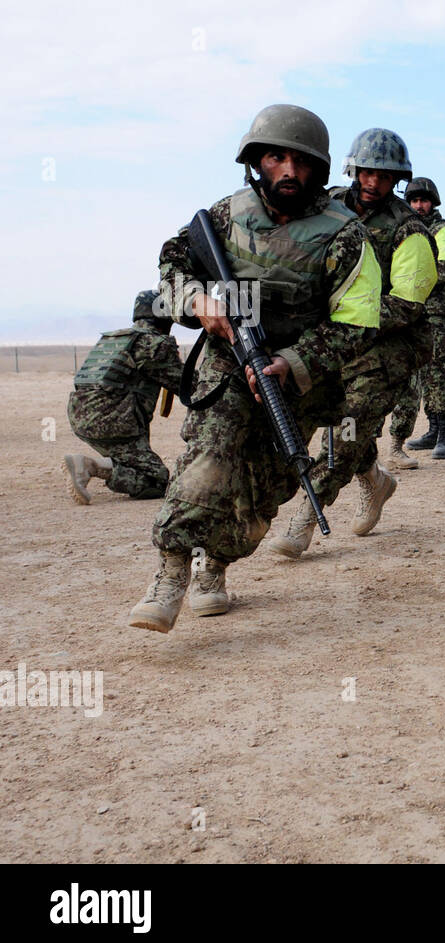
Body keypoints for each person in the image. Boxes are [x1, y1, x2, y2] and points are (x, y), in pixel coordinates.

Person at [127, 104, 381, 632]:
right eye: (276, 157)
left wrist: (292, 363)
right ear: (255, 161)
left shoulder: (346, 234)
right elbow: (173, 263)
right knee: (210, 459)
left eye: (301, 162)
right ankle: (171, 570)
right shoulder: (226, 214)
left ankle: (213, 565)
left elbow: (359, 323)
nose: (288, 171)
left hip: (298, 376)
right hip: (228, 360)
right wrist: (197, 299)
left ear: (320, 170)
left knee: (264, 491)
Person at [265, 128, 437, 559]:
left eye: (383, 175)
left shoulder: (409, 229)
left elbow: (406, 304)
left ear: (396, 178)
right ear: (353, 169)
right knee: (328, 417)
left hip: (389, 345)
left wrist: (348, 323)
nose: (372, 182)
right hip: (332, 339)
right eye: (366, 172)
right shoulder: (327, 205)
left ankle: (304, 518)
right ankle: (375, 481)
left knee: (349, 427)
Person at [63, 290, 184, 504]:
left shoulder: (116, 338)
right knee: (157, 479)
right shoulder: (153, 343)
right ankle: (92, 466)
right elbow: (188, 385)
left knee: (131, 458)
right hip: (113, 423)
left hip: (81, 417)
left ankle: (100, 464)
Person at [389, 176, 445, 463]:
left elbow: (442, 272)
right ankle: (432, 431)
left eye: (423, 200)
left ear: (433, 202)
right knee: (416, 375)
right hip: (410, 313)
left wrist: (407, 281)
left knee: (435, 371)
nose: (418, 205)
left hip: (433, 312)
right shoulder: (408, 232)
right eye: (414, 200)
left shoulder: (443, 233)